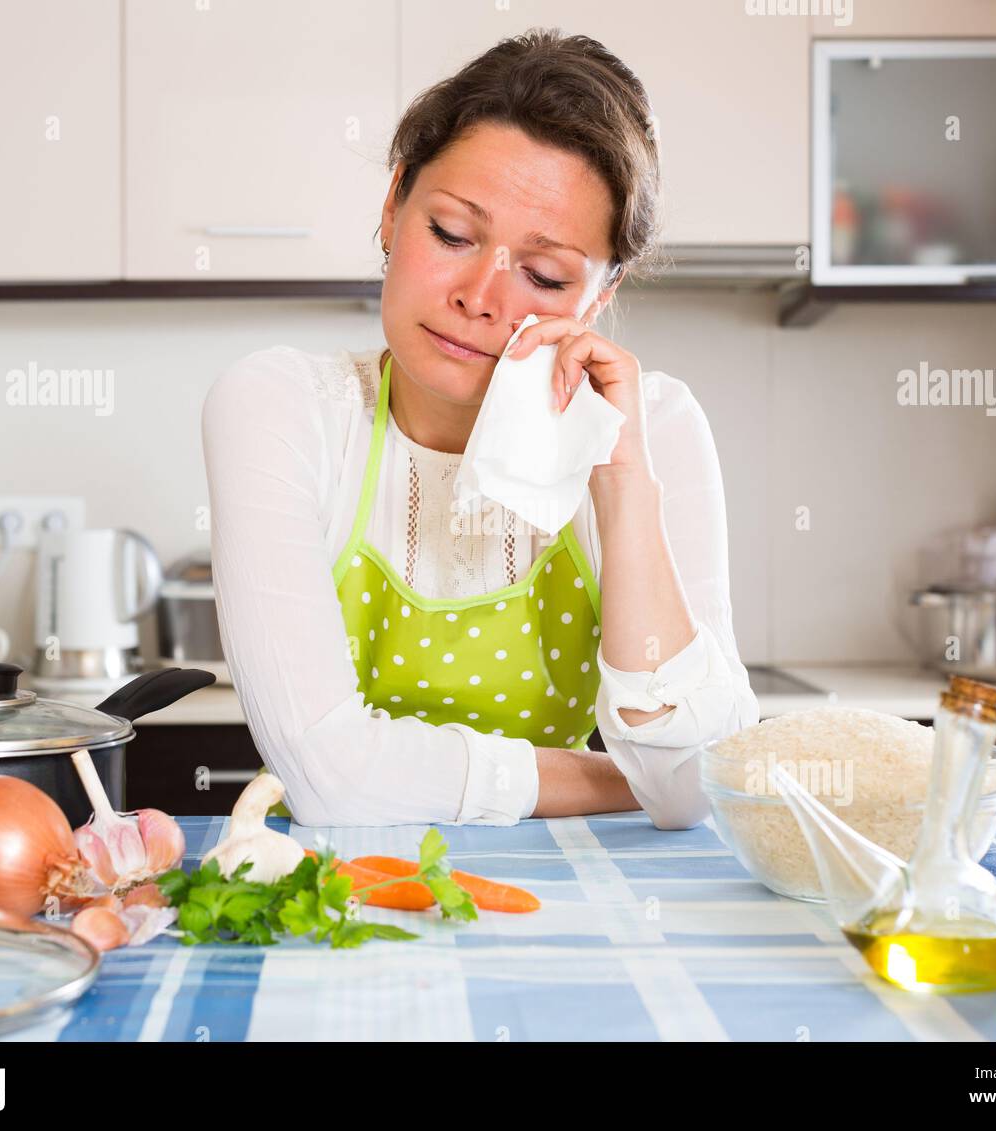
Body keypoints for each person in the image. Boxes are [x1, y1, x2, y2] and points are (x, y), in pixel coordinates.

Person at [201, 29, 758, 829]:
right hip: (336, 909)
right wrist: (623, 779)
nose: (481, 296)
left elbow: (702, 788)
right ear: (394, 206)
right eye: (453, 234)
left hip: (574, 910)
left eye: (545, 274)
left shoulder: (651, 424)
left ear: (598, 298)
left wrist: (621, 479)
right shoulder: (282, 406)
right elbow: (332, 779)